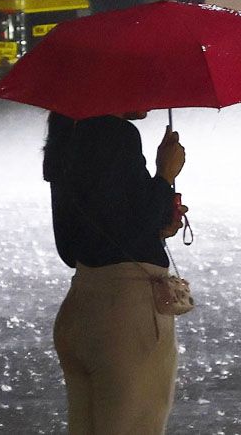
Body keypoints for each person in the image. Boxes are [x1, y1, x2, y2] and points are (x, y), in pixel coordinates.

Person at [43, 110, 189, 434]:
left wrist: (159, 224)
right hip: (127, 320)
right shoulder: (117, 135)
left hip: (81, 308)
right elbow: (132, 227)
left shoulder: (66, 131)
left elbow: (72, 248)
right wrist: (165, 174)